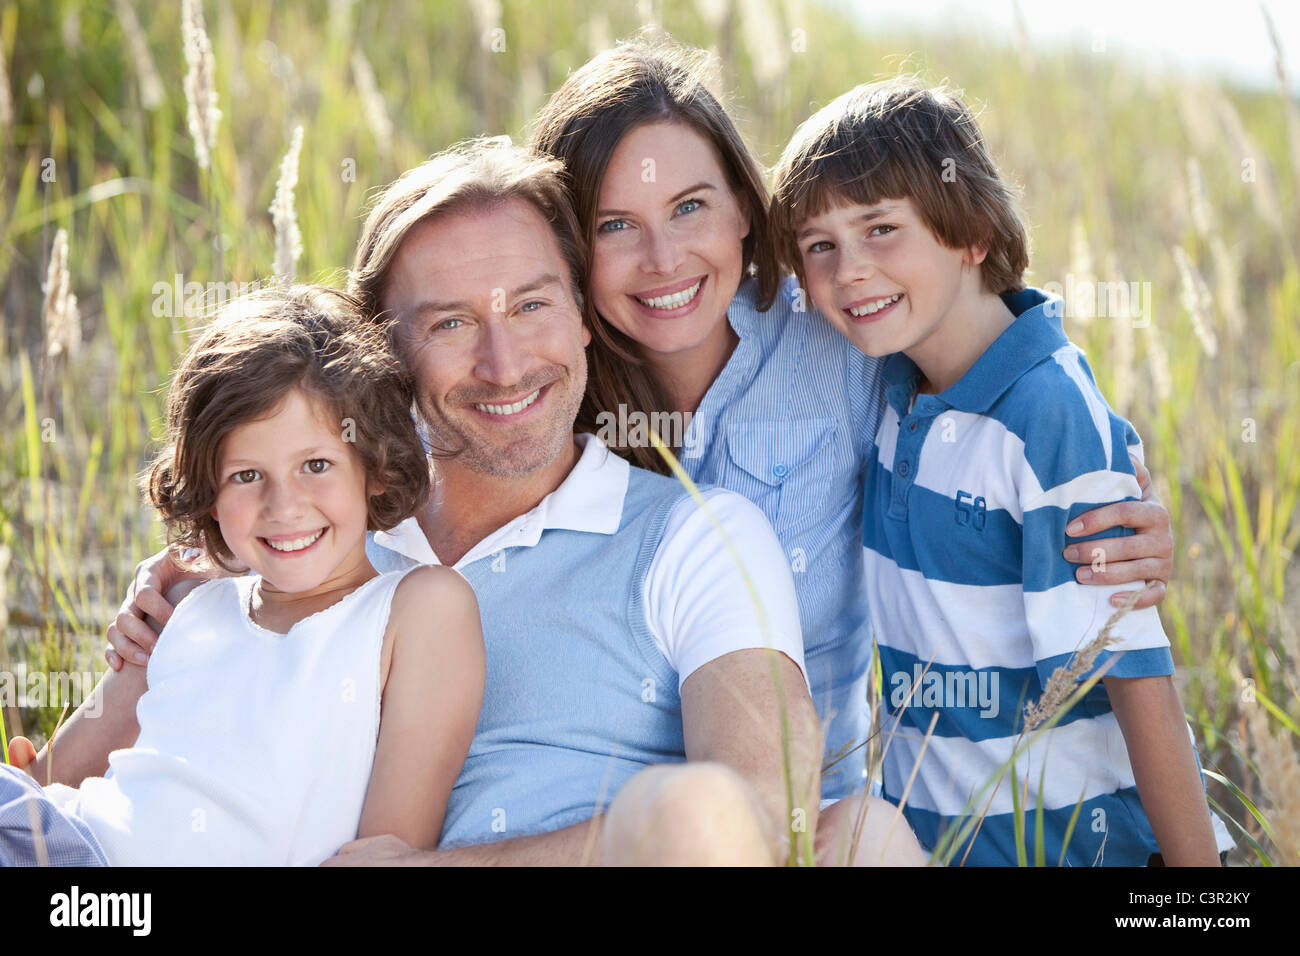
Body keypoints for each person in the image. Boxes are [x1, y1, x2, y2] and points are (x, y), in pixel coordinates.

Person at [101, 141, 916, 865]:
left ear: (583, 317)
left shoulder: (696, 538)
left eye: (532, 305)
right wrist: (183, 598)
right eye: (451, 324)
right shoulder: (313, 536)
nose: (505, 363)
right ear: (381, 356)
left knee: (861, 840)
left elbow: (762, 807)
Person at [526, 33, 1178, 802]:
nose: (663, 258)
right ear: (568, 245)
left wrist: (1107, 490)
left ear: (743, 206)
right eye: (615, 225)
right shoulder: (538, 385)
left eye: (690, 206)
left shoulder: (836, 335)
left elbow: (981, 364)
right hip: (595, 814)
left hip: (811, 816)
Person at [768, 79, 1234, 865]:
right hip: (936, 840)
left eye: (881, 229)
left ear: (971, 233)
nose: (849, 271)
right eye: (820, 246)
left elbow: (1135, 675)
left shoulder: (1046, 413)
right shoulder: (888, 386)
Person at [2, 285, 484, 866]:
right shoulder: (191, 601)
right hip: (75, 846)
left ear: (376, 467)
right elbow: (44, 781)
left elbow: (387, 854)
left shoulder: (420, 608)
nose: (285, 506)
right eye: (247, 475)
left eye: (316, 465)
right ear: (207, 493)